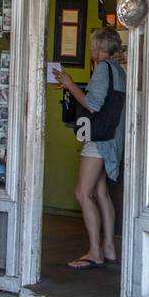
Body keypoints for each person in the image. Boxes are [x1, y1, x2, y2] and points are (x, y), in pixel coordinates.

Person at [53, 28, 126, 270]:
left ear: (98, 47)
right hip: (112, 138)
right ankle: (108, 248)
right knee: (101, 193)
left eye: (93, 45)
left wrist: (70, 84)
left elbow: (92, 105)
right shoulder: (118, 70)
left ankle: (94, 251)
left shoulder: (102, 69)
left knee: (83, 194)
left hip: (97, 141)